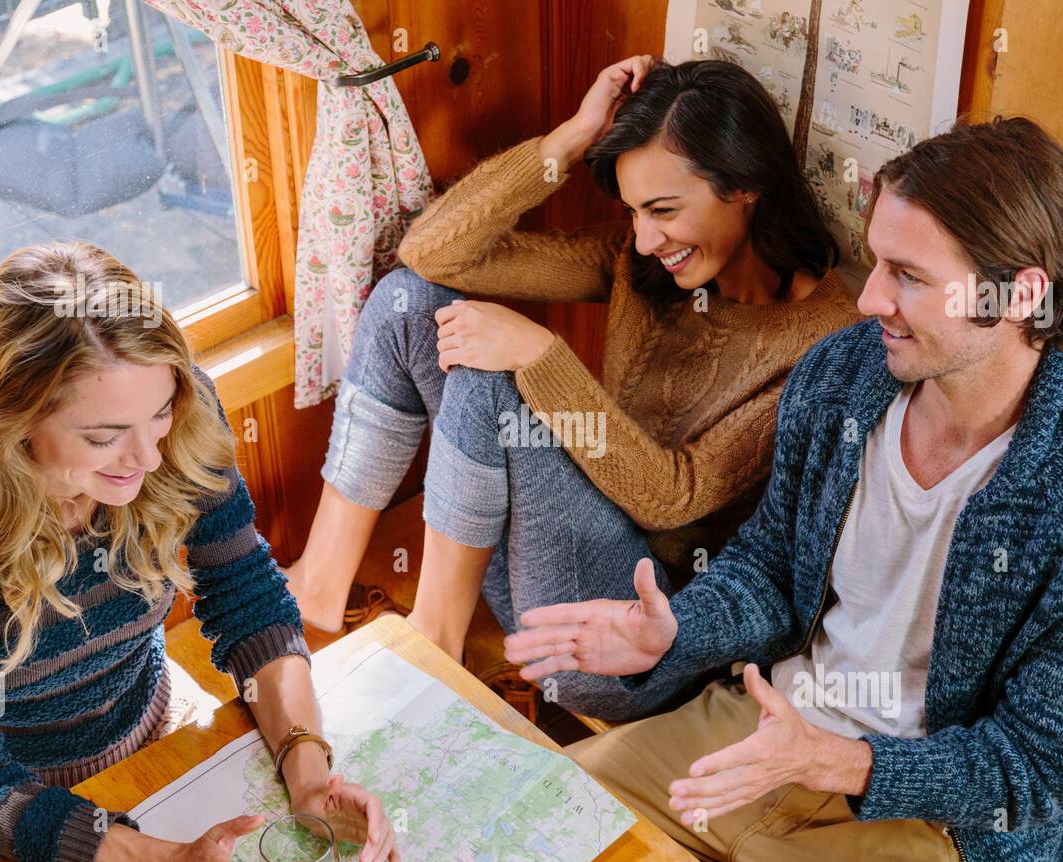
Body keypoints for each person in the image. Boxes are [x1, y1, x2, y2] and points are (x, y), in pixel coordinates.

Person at [506, 116, 1063, 862]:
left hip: (932, 823)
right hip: (759, 731)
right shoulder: (844, 373)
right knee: (518, 834)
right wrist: (678, 629)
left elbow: (1031, 771)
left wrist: (834, 761)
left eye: (908, 275)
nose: (869, 299)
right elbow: (772, 568)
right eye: (875, 263)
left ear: (1020, 294)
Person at [281, 55, 859, 671]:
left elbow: (671, 500)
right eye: (634, 212)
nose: (644, 239)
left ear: (746, 188)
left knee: (486, 380)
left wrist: (541, 355)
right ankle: (319, 584)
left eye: (663, 210)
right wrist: (572, 137)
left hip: (636, 625)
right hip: (547, 559)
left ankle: (434, 648)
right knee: (405, 301)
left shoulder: (825, 340)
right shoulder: (642, 263)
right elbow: (430, 253)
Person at [0, 241, 398, 862]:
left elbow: (248, 599)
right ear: (14, 419)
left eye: (158, 414)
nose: (150, 459)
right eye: (104, 437)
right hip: (0, 803)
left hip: (156, 723)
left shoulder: (185, 416)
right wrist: (163, 861)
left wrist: (309, 774)